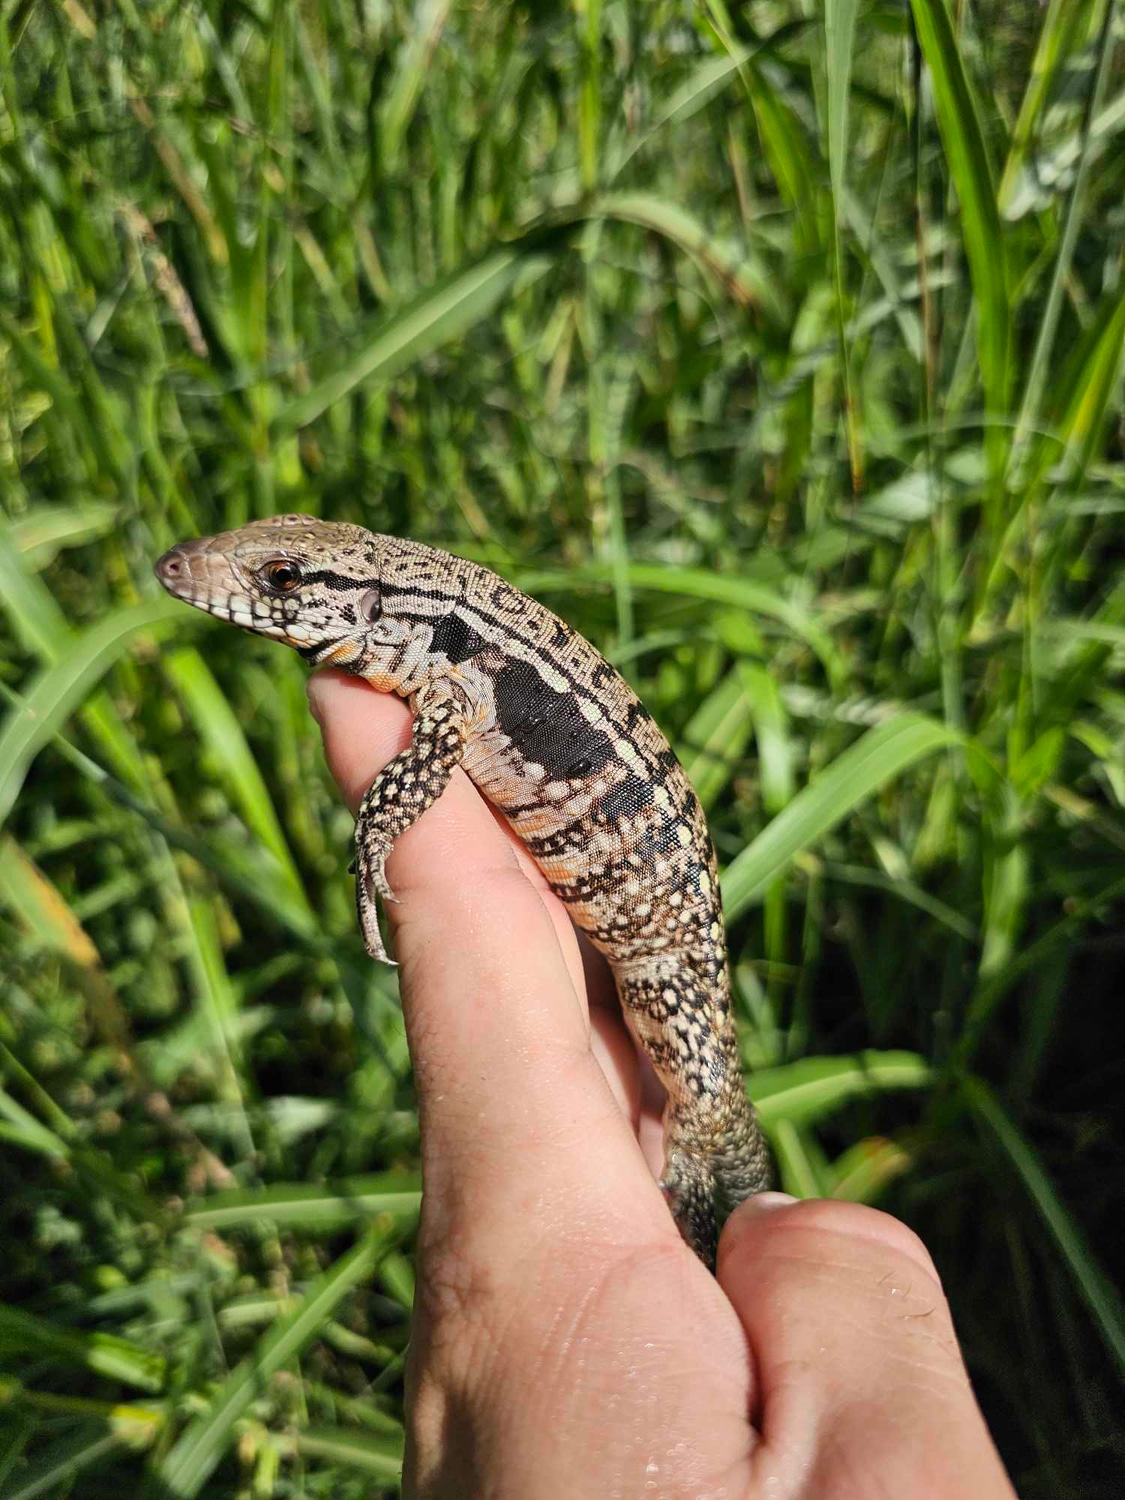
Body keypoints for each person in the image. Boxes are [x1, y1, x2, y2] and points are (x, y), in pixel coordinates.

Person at [309, 670, 1017, 1500]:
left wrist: (381, 825)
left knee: (701, 1116)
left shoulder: (449, 674)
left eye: (284, 594)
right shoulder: (449, 669)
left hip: (661, 947)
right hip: (642, 928)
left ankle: (714, 1238)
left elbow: (431, 753)